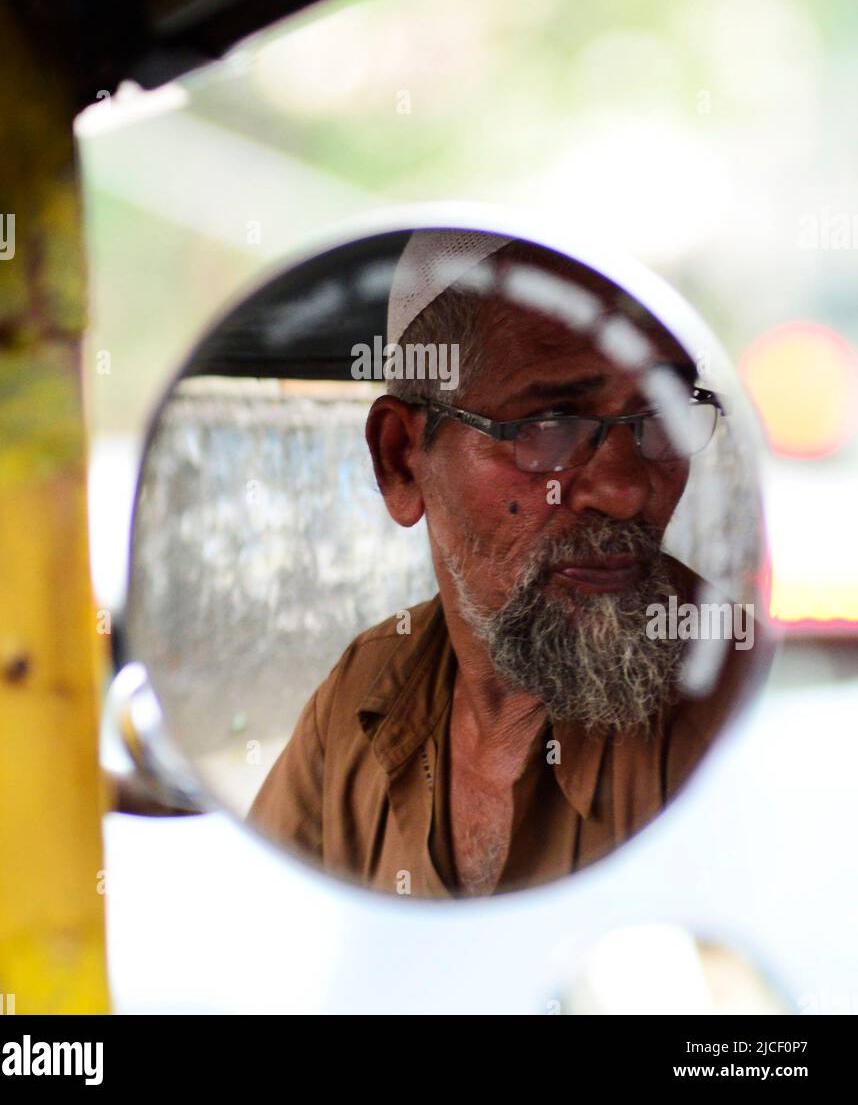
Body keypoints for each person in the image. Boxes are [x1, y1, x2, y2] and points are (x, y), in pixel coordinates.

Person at [250, 230, 742, 897]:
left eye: (662, 416)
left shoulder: (734, 712)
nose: (626, 489)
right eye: (550, 425)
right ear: (401, 459)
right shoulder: (364, 694)